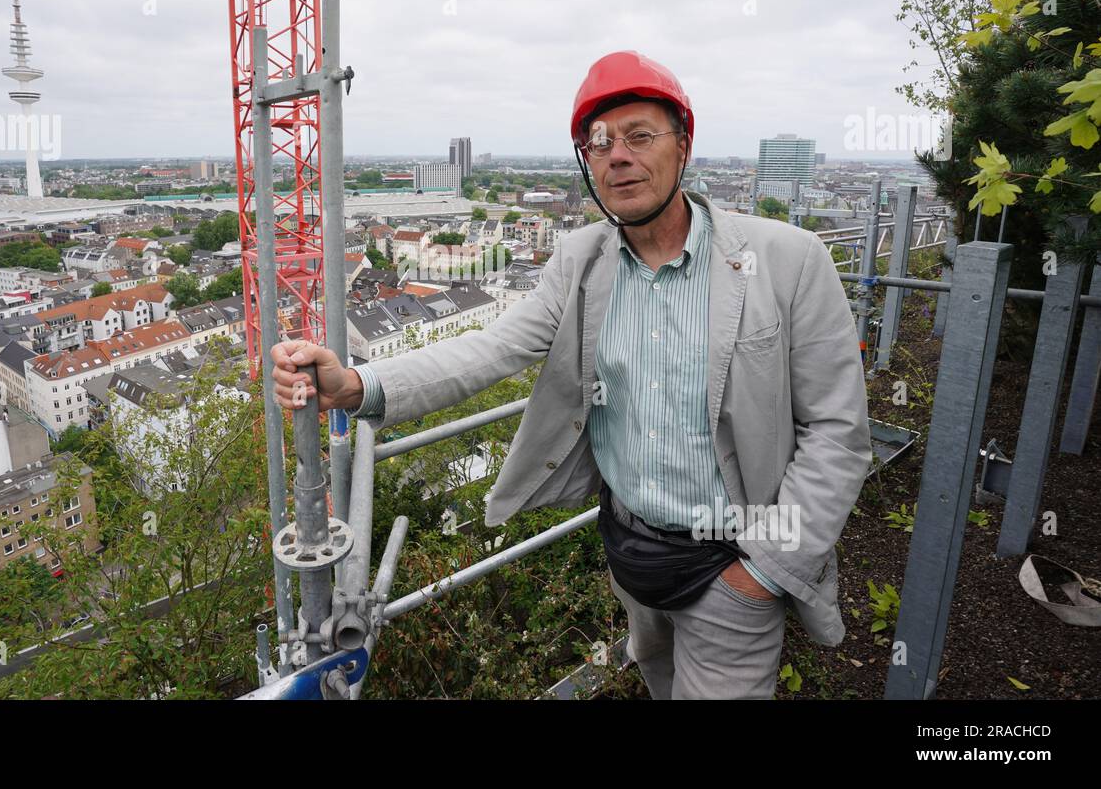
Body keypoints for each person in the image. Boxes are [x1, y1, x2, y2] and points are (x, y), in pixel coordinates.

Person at [270, 50, 872, 699]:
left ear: (685, 146)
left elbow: (837, 430)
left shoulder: (786, 260)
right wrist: (358, 385)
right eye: (600, 141)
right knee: (659, 681)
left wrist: (766, 571)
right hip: (631, 555)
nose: (618, 155)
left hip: (735, 564)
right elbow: (491, 348)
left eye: (640, 135)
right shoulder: (580, 261)